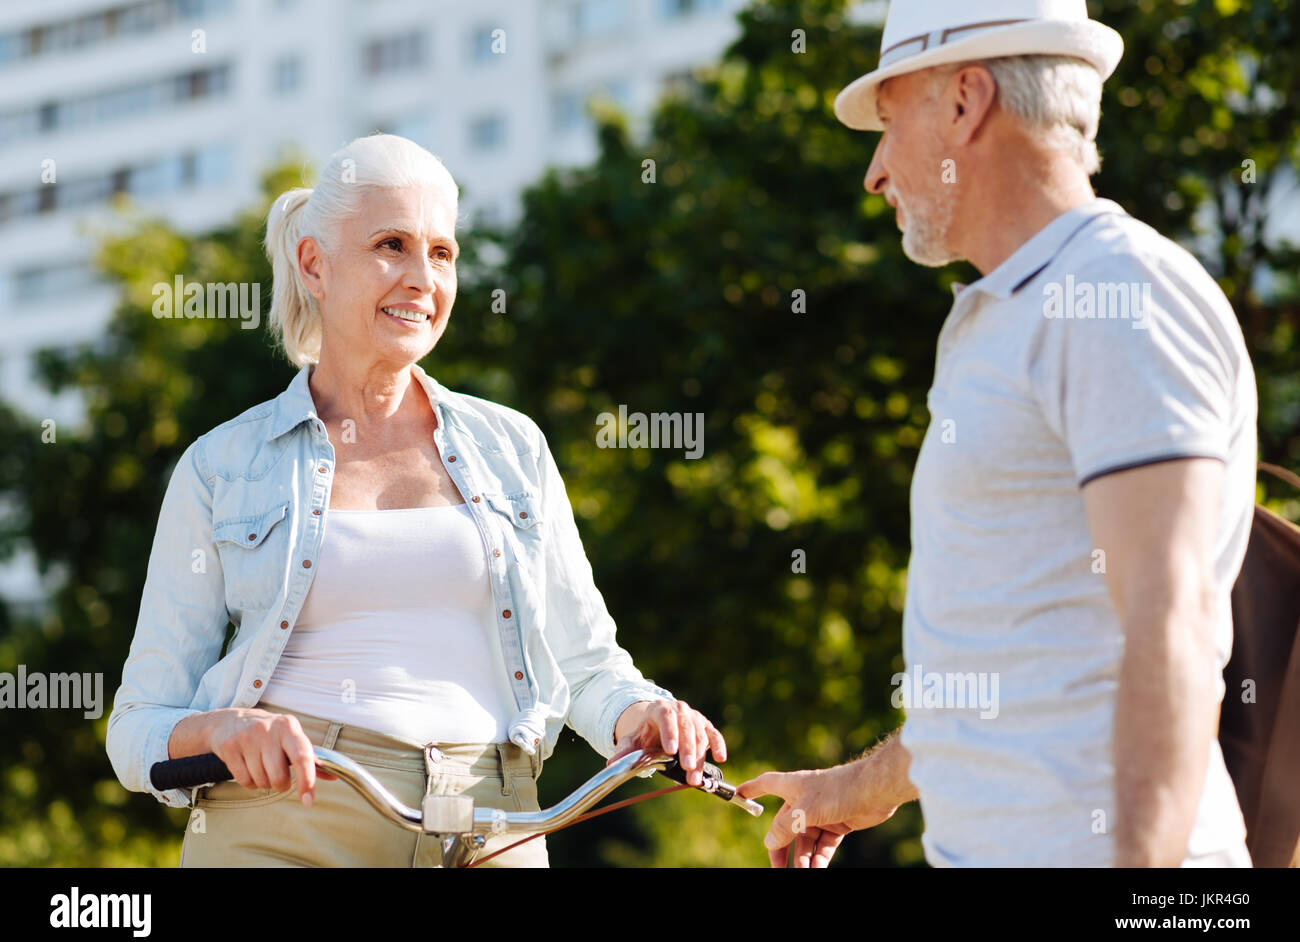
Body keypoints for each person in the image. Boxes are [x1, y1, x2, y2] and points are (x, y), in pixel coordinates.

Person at [105, 133, 725, 867]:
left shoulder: (513, 447)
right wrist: (221, 733)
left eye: (442, 253)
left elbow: (585, 663)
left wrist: (641, 712)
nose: (420, 278)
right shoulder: (222, 466)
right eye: (390, 244)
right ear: (314, 264)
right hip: (287, 818)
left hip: (494, 816)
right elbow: (139, 723)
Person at [738, 0, 1258, 868]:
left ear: (964, 101)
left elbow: (1172, 625)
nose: (873, 172)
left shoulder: (1117, 294)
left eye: (888, 118)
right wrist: (844, 791)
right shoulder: (1002, 315)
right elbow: (1007, 670)